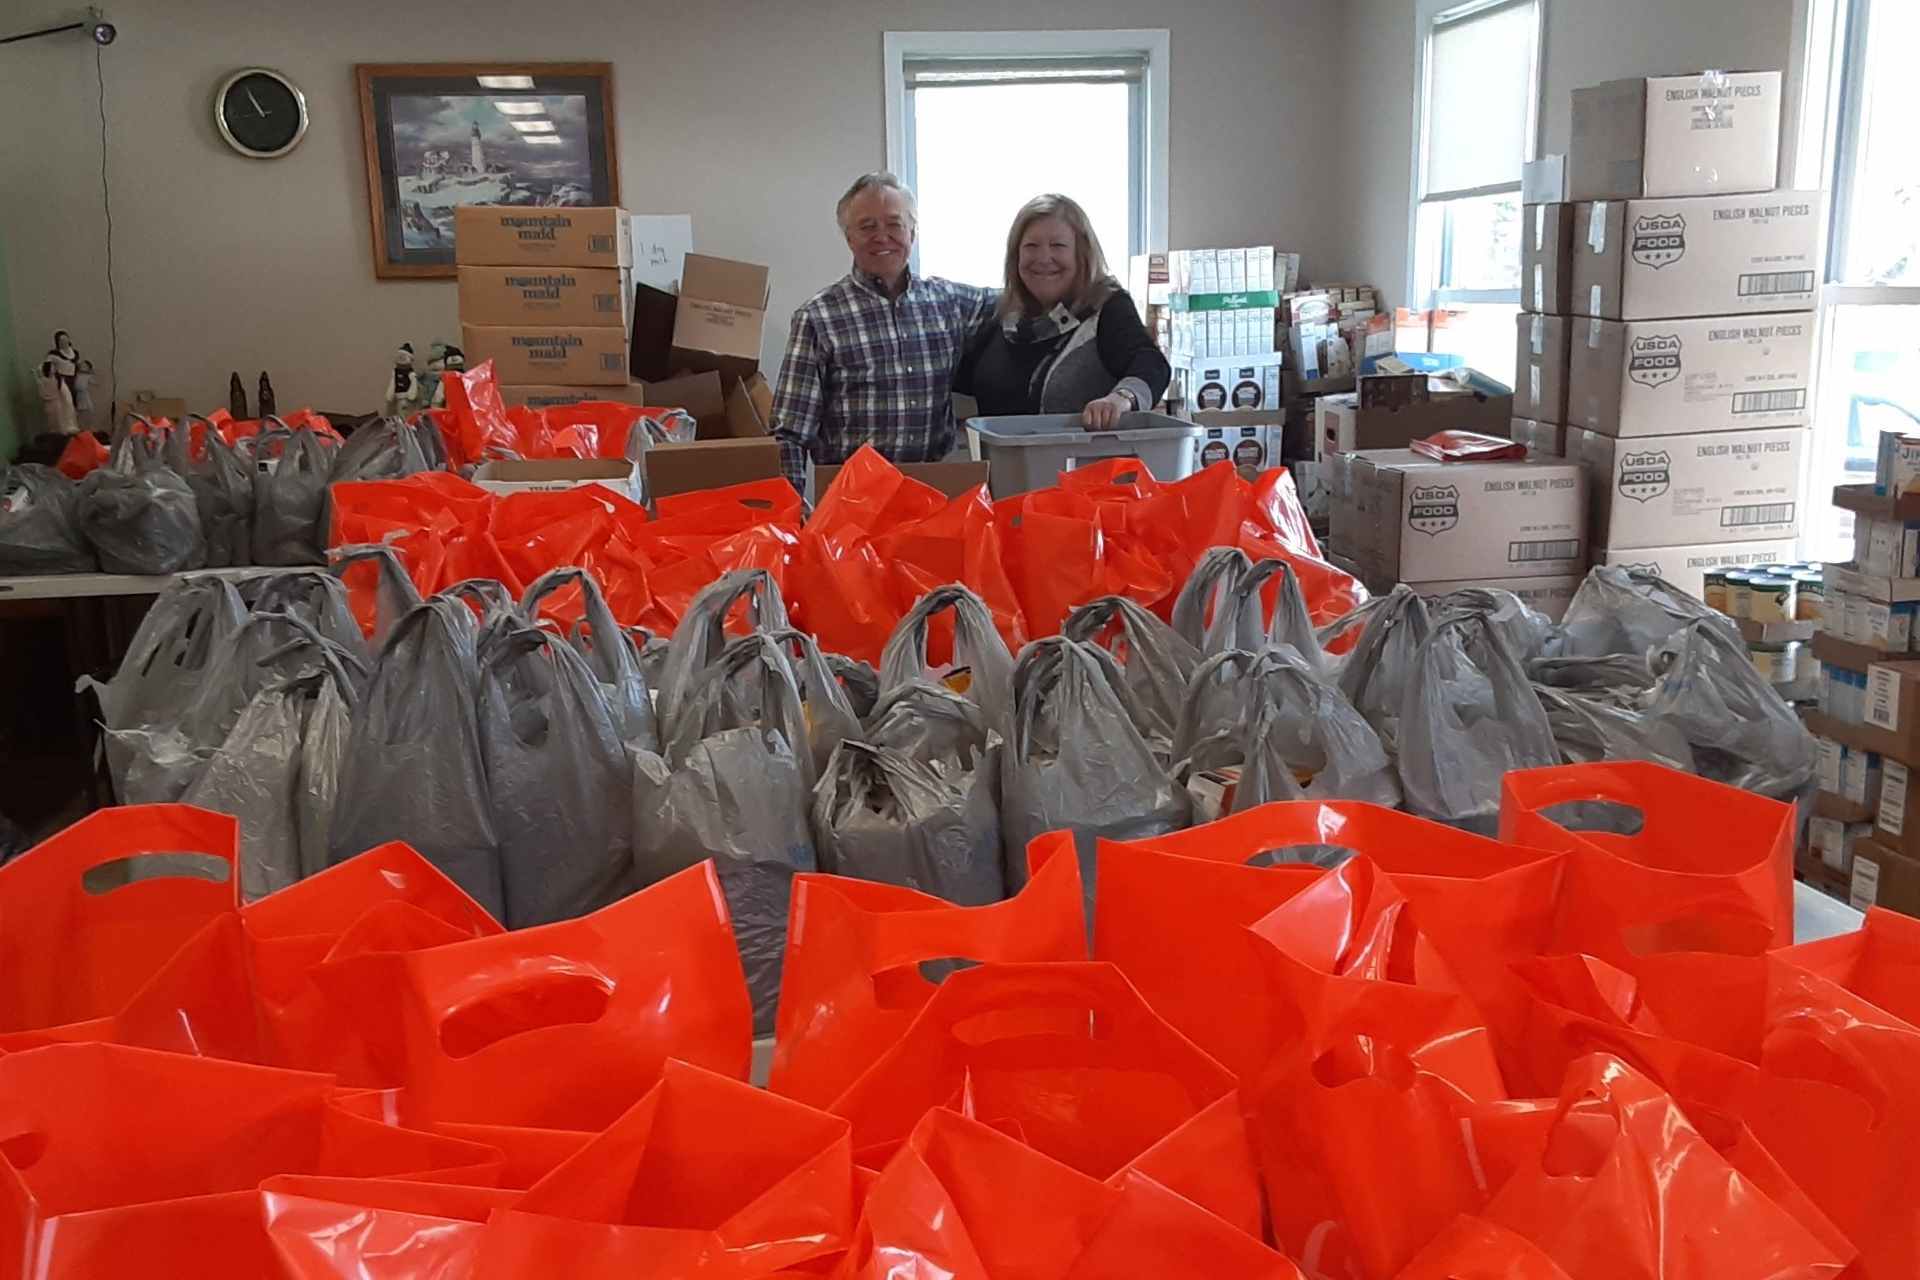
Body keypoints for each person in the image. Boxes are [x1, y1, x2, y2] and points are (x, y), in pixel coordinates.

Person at [771, 172, 996, 493]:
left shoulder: (949, 302)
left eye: (894, 224)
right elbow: (789, 435)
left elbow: (1023, 300)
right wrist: (793, 518)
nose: (882, 236)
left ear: (913, 232)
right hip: (854, 501)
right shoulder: (817, 317)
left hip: (936, 491)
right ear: (849, 238)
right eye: (867, 227)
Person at [955, 194, 1169, 429]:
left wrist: (1120, 399)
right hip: (1004, 463)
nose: (1044, 258)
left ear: (1082, 254)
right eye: (1031, 246)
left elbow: (1151, 363)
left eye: (1058, 246)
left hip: (1082, 462)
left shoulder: (1107, 307)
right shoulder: (1000, 314)